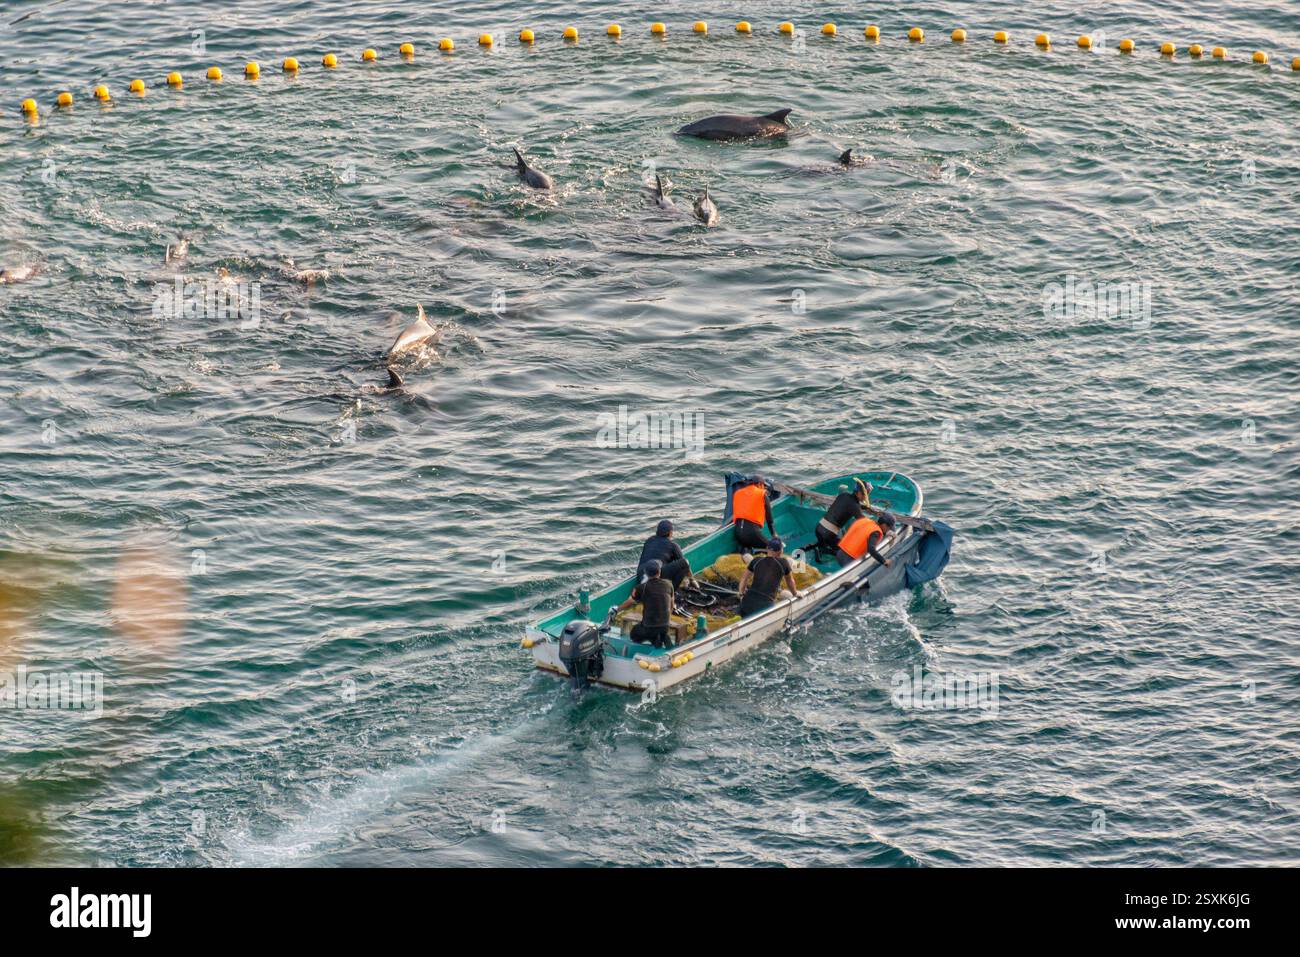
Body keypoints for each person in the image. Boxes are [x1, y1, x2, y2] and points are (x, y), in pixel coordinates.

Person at [614, 560, 676, 648]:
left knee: (634, 634)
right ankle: (662, 637)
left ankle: (654, 639)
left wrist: (617, 609)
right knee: (660, 631)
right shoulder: (669, 584)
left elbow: (630, 602)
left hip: (649, 628)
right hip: (665, 626)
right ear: (659, 571)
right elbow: (672, 605)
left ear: (646, 574)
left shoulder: (640, 588)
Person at [737, 538, 802, 618]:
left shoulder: (756, 560)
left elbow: (744, 579)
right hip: (765, 606)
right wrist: (795, 593)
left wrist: (741, 594)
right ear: (780, 551)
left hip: (747, 603)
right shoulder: (783, 563)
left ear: (767, 548)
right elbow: (790, 582)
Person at [814, 477, 871, 560]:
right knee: (843, 553)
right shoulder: (855, 506)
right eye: (865, 494)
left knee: (825, 542)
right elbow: (862, 522)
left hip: (819, 528)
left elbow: (847, 505)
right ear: (858, 493)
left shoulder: (843, 495)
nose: (866, 497)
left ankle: (821, 548)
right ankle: (823, 551)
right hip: (828, 534)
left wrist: (862, 507)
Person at [635, 519, 694, 590]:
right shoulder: (673, 545)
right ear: (670, 533)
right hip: (655, 574)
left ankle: (647, 584)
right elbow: (685, 565)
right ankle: (671, 591)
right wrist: (692, 579)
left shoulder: (649, 541)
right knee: (684, 563)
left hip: (640, 573)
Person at [731, 476, 775, 551]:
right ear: (759, 484)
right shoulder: (762, 494)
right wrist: (774, 534)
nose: (764, 488)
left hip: (738, 533)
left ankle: (745, 552)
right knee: (774, 549)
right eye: (763, 486)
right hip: (752, 532)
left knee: (746, 547)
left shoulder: (738, 493)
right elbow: (769, 519)